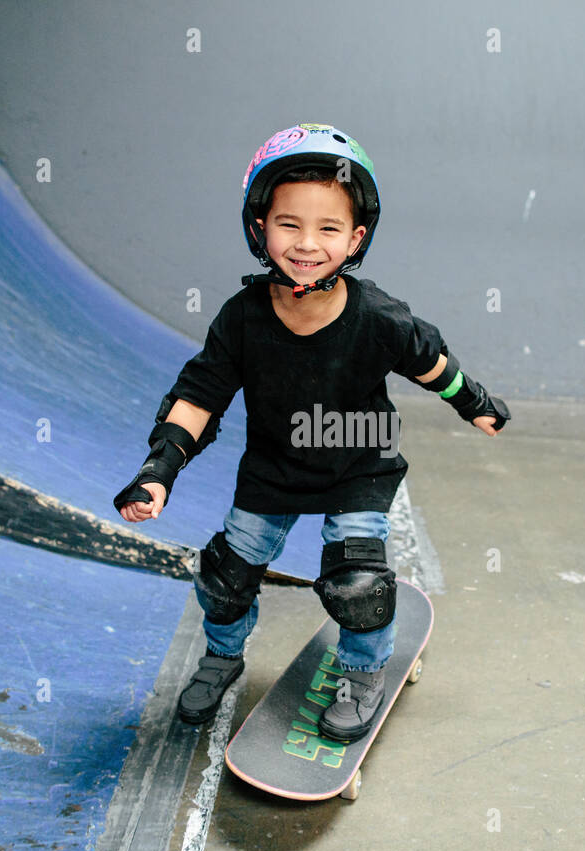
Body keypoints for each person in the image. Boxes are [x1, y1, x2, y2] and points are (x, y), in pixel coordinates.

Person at [114, 124, 510, 742]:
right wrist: (159, 470)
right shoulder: (242, 319)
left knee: (358, 584)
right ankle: (222, 658)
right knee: (225, 577)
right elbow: (200, 394)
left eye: (328, 229)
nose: (306, 243)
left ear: (355, 239)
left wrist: (475, 403)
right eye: (289, 224)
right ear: (259, 228)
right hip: (274, 468)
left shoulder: (379, 318)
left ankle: (360, 674)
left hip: (360, 464)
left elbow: (432, 364)